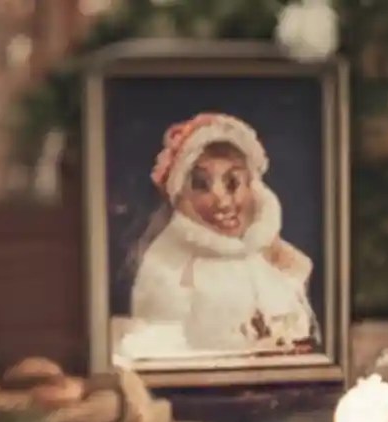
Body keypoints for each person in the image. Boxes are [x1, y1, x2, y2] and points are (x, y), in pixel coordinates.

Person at [128, 113, 317, 354]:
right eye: (201, 185)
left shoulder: (272, 257)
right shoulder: (169, 266)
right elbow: (160, 353)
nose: (222, 201)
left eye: (232, 182)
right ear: (181, 197)